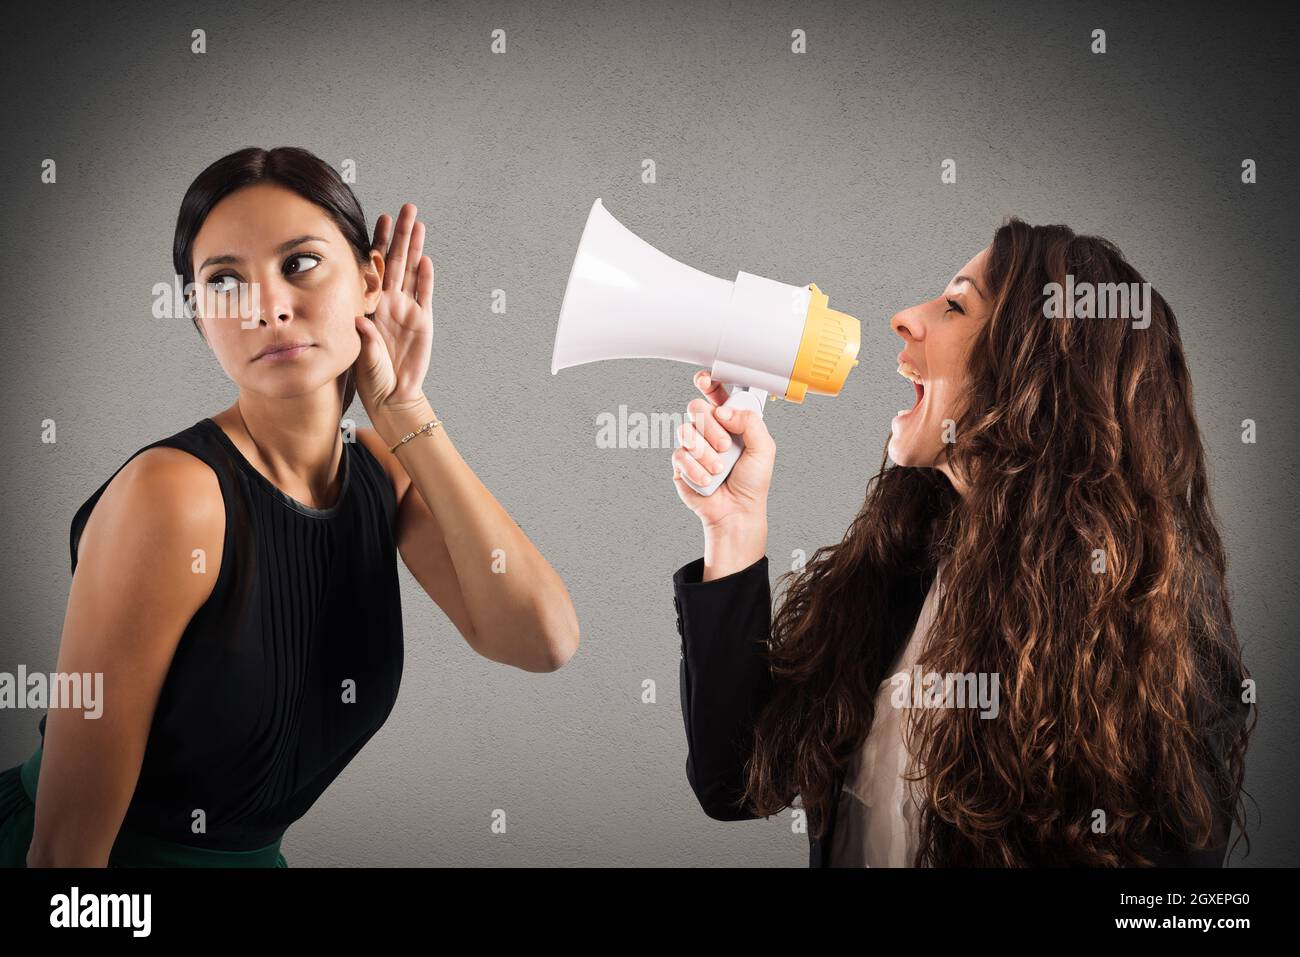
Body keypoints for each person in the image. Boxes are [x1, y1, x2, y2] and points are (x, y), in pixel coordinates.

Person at [0, 146, 579, 867]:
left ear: (371, 279)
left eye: (299, 263)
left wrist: (405, 410)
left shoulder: (379, 471)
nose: (267, 305)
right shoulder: (174, 497)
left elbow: (542, 639)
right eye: (224, 281)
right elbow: (62, 858)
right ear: (199, 319)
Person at [670, 218, 1255, 866]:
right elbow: (737, 778)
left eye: (955, 306)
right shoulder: (904, 567)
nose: (903, 318)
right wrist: (735, 524)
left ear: (1038, 372)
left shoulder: (1161, 647)